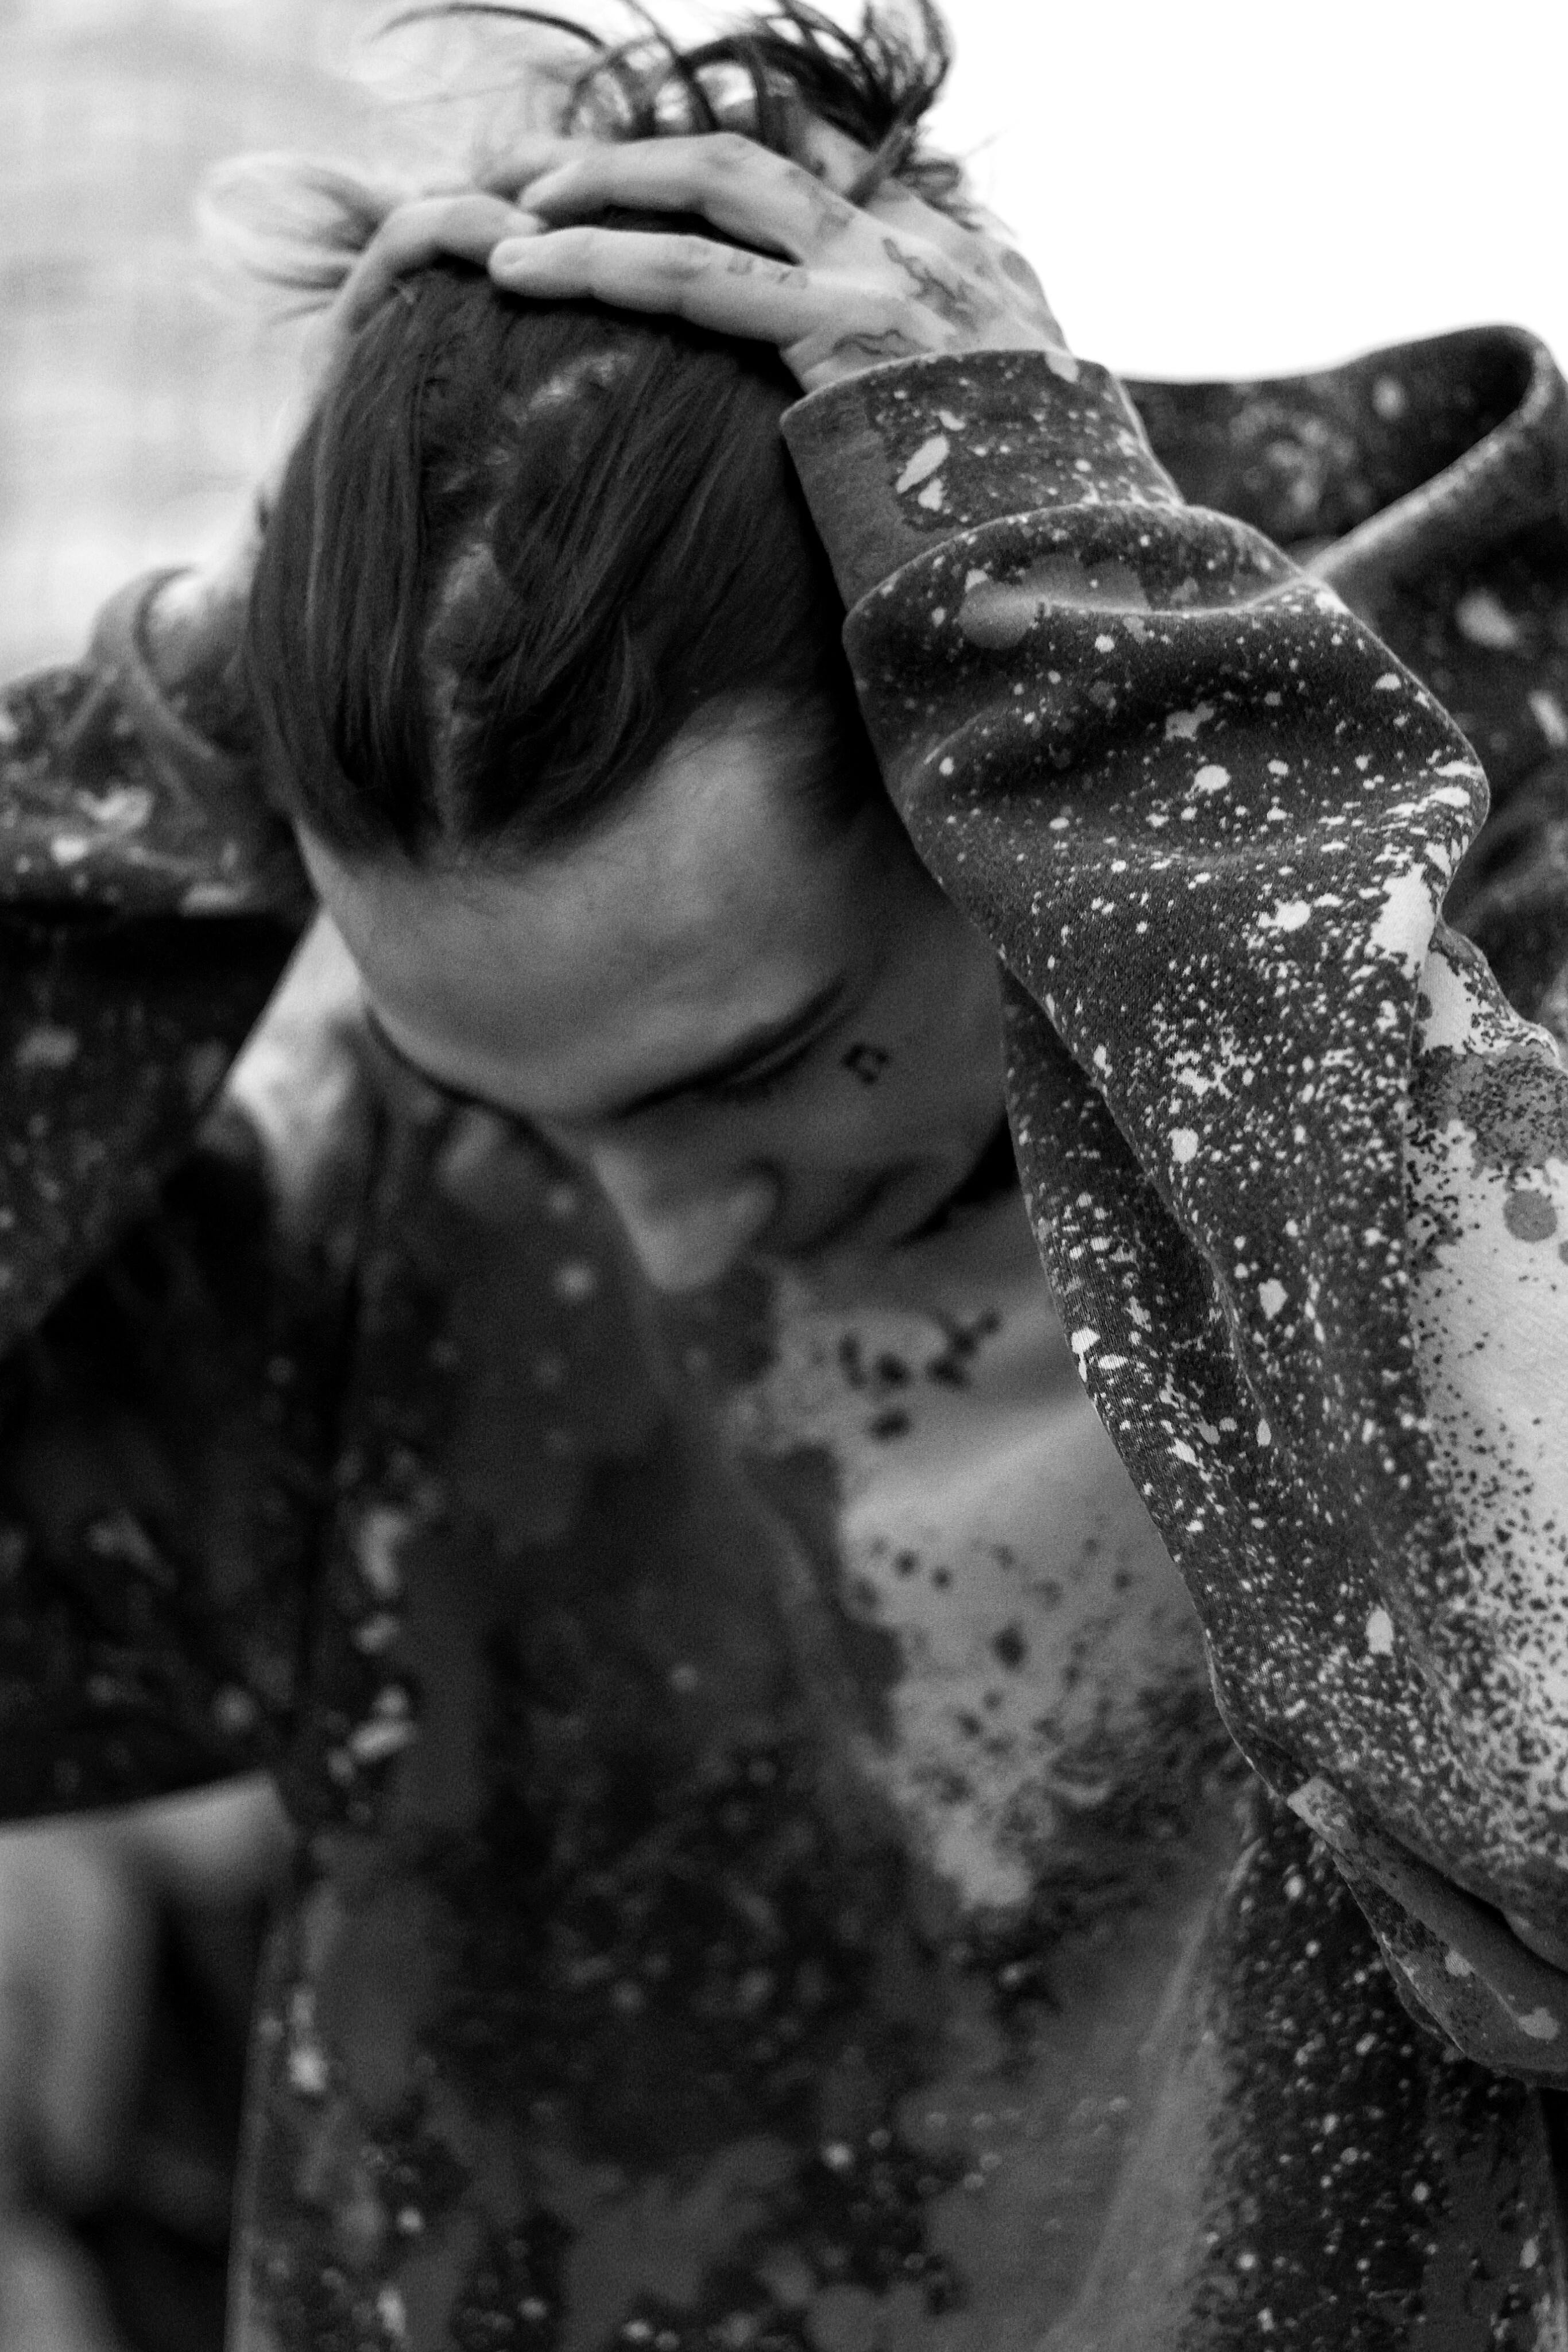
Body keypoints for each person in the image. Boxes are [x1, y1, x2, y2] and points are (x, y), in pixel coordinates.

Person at [1, 3, 1567, 2345]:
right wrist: (227, 707)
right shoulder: (390, 1227)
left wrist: (1068, 621)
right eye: (534, 1115)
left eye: (761, 1067)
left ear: (975, 769)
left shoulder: (1463, 974)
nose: (667, 1228)